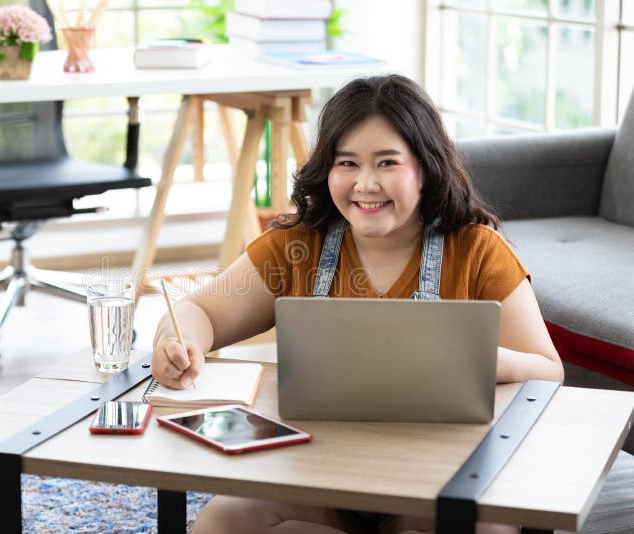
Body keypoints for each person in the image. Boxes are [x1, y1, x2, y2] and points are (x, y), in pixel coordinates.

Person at [151, 74, 564, 534]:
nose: (366, 184)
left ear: (425, 168)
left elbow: (549, 369)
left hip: (437, 485)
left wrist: (477, 359)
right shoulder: (295, 245)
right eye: (347, 163)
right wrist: (180, 340)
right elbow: (200, 311)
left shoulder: (477, 250)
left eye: (387, 162)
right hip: (316, 480)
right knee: (222, 520)